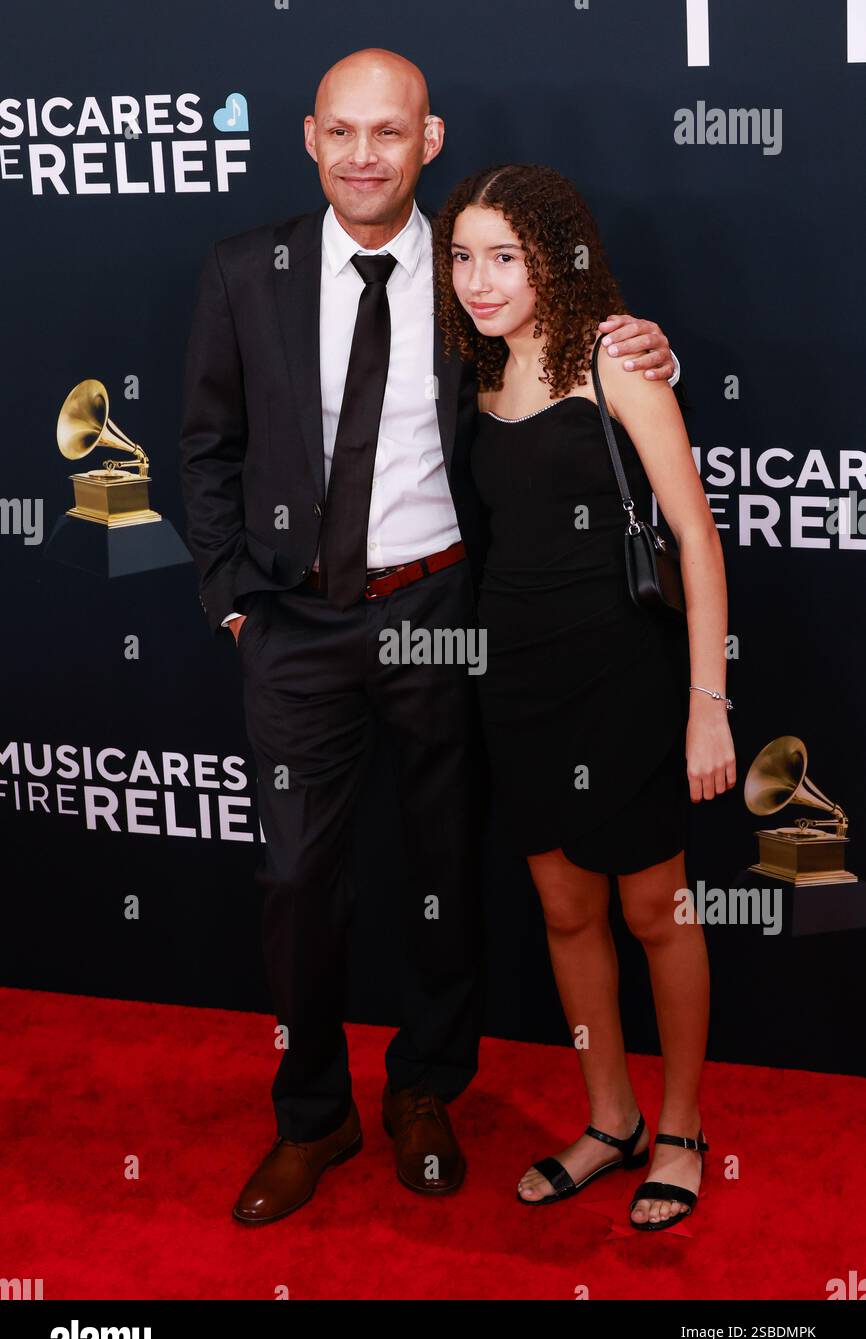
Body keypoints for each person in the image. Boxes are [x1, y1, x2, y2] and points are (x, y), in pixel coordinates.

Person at [179, 49, 681, 1226]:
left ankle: (424, 1091)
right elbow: (203, 447)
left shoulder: (471, 277)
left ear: (429, 140)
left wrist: (649, 348)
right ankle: (312, 1115)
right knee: (295, 878)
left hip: (441, 613)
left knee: (443, 867)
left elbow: (572, 360)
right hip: (293, 621)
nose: (363, 155)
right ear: (309, 138)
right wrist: (235, 600)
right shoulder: (245, 270)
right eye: (342, 131)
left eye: (389, 132)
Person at [435, 163, 735, 1231]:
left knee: (656, 911)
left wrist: (708, 702)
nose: (478, 280)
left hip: (623, 677)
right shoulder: (470, 370)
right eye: (461, 256)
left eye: (504, 257)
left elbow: (695, 538)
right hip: (515, 681)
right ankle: (610, 1120)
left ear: (556, 261)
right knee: (566, 912)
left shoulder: (617, 361)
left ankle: (681, 1130)